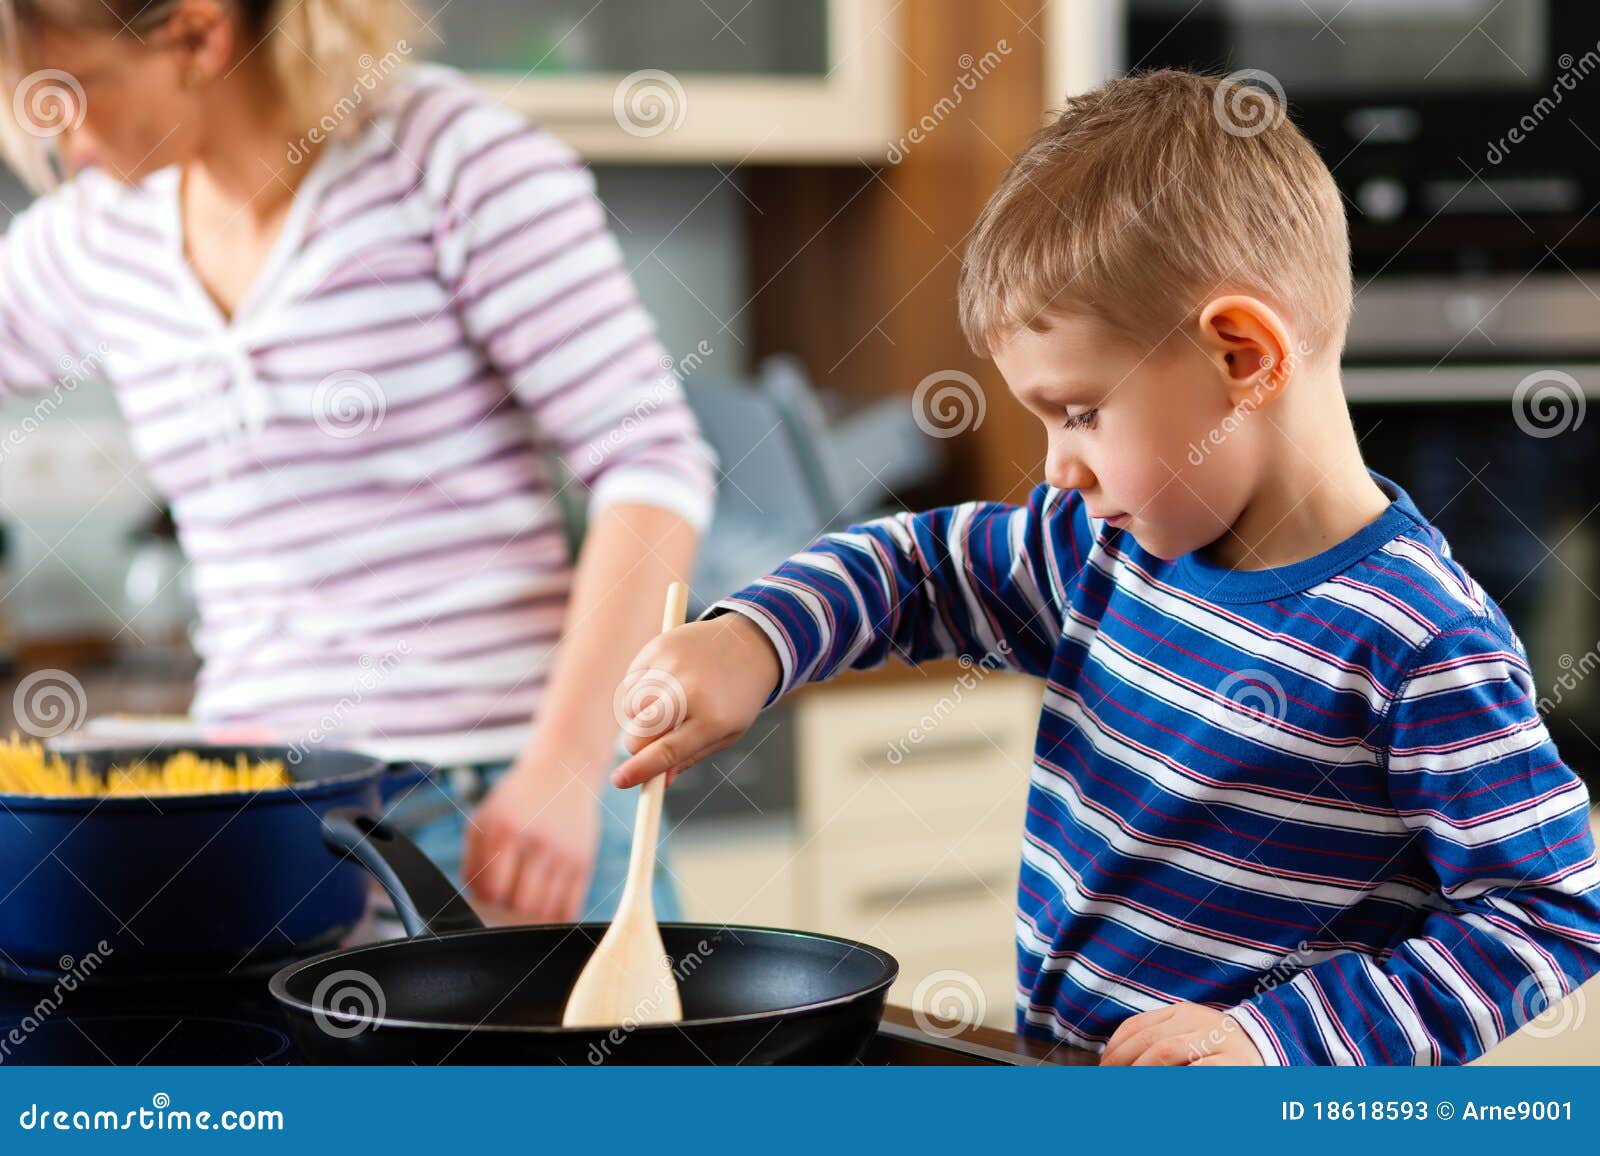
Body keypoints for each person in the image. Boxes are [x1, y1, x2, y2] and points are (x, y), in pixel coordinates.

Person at [608, 70, 1600, 1064]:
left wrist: (1268, 1043)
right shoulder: (1098, 551)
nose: (1057, 465)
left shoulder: (1418, 640)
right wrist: (752, 641)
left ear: (1241, 358)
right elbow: (911, 568)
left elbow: (1544, 911)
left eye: (1079, 411)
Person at [0, 0, 713, 922]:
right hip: (264, 828)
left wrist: (566, 768)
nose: (50, 139)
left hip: (503, 809)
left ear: (198, 33)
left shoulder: (446, 160)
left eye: (71, 91)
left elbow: (653, 468)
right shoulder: (97, 236)